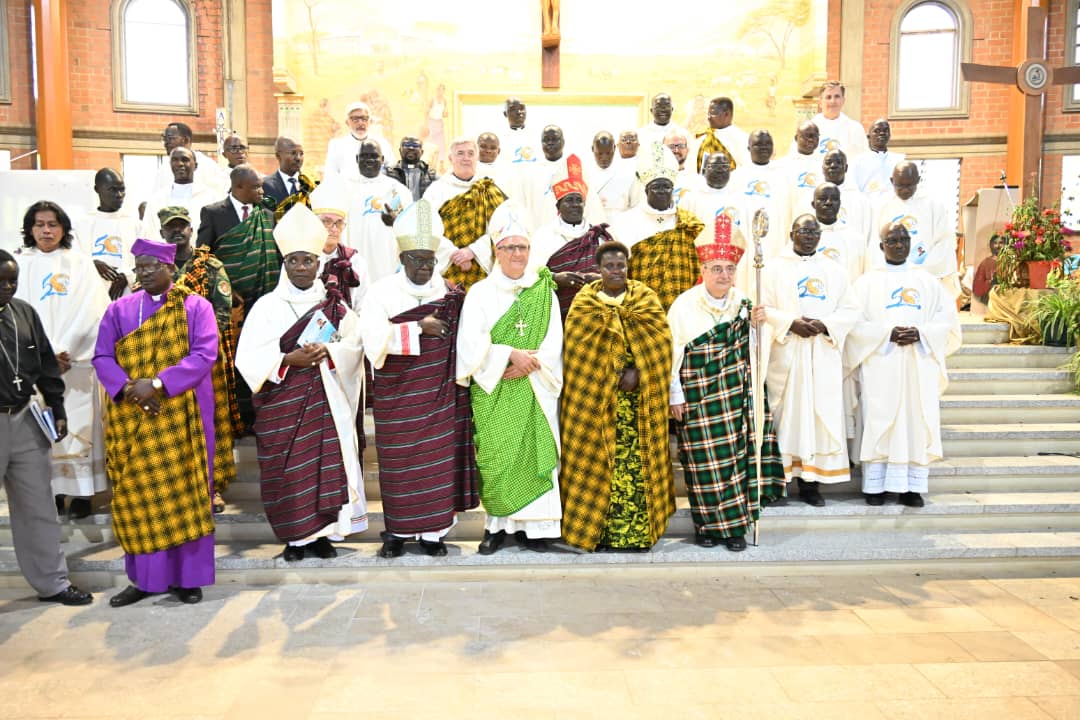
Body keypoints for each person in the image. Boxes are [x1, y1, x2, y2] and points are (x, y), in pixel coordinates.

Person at [236, 204, 367, 561]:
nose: (300, 267)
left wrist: (330, 351)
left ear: (317, 264)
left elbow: (355, 347)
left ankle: (323, 535)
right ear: (284, 263)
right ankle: (295, 539)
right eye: (293, 260)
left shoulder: (335, 307)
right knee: (290, 471)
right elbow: (246, 358)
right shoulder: (265, 306)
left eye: (307, 260)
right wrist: (287, 360)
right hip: (282, 404)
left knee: (324, 466)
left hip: (326, 401)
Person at [93, 239, 221, 606]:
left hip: (183, 414)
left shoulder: (196, 307)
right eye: (140, 268)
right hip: (132, 415)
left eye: (152, 266)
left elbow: (204, 353)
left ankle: (188, 578)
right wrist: (131, 389)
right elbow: (102, 356)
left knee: (186, 493)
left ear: (170, 268)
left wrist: (160, 385)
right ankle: (145, 580)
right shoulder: (119, 310)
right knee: (140, 496)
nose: (144, 273)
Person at [359, 199, 479, 558]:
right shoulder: (381, 292)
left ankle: (433, 534)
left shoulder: (448, 294)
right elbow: (372, 339)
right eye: (417, 260)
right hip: (398, 398)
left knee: (435, 465)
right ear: (402, 259)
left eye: (430, 260)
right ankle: (396, 531)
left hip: (439, 396)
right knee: (398, 465)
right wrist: (416, 328)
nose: (425, 267)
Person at [668, 216, 786, 550]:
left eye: (729, 269)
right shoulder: (683, 305)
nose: (724, 275)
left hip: (735, 399)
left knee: (736, 462)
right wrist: (674, 394)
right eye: (716, 268)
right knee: (701, 462)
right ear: (703, 269)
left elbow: (758, 353)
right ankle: (706, 526)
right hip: (697, 398)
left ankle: (735, 529)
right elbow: (674, 353)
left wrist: (759, 327)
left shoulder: (746, 305)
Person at [456, 205, 563, 554]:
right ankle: (498, 527)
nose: (517, 254)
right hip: (496, 386)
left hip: (536, 383)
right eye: (509, 248)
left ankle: (538, 529)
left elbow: (555, 340)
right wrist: (506, 357)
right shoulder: (480, 293)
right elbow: (470, 341)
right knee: (497, 456)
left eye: (522, 247)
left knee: (534, 455)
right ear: (496, 252)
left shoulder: (544, 290)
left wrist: (530, 362)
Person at [560, 241, 674, 552]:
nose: (616, 271)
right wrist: (609, 375)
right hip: (595, 402)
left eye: (621, 265)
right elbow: (577, 350)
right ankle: (599, 534)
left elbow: (661, 343)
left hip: (637, 404)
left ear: (628, 266)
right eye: (609, 266)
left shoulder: (644, 298)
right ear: (599, 269)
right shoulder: (585, 302)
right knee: (597, 467)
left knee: (635, 468)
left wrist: (638, 368)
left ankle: (637, 535)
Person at [845, 221, 961, 507]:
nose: (899, 245)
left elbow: (946, 319)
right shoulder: (866, 283)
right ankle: (875, 487)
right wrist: (887, 333)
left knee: (915, 419)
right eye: (893, 240)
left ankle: (911, 487)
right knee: (879, 418)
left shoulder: (927, 281)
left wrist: (921, 333)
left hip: (917, 362)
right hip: (881, 361)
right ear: (881, 245)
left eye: (904, 239)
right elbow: (855, 323)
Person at [0, 249, 92, 605]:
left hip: (25, 419)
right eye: (1, 281)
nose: (8, 288)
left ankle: (52, 583)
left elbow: (44, 364)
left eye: (13, 280)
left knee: (38, 508)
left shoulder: (23, 311)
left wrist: (57, 405)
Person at [15, 203, 109, 519]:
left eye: (53, 224)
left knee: (79, 426)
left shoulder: (81, 265)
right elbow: (16, 313)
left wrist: (64, 349)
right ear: (29, 229)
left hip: (76, 362)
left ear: (63, 228)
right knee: (41, 431)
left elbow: (93, 310)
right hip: (34, 367)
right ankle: (52, 493)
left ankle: (81, 494)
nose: (46, 231)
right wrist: (43, 357)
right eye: (39, 224)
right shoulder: (19, 264)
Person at [761, 214, 858, 506]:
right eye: (803, 230)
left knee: (817, 418)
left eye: (814, 231)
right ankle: (778, 482)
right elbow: (762, 308)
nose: (809, 236)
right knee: (786, 418)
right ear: (791, 233)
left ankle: (811, 484)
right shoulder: (773, 268)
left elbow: (851, 309)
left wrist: (826, 324)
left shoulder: (834, 270)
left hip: (821, 353)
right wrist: (790, 322)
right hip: (787, 352)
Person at [160, 206, 240, 512]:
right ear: (162, 232)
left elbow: (223, 310)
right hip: (166, 362)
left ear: (191, 230)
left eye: (182, 226)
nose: (177, 231)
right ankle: (180, 486)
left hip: (206, 360)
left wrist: (198, 346)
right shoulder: (156, 267)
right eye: (171, 227)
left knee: (212, 423)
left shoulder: (210, 265)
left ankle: (214, 486)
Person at [609, 143, 704, 311]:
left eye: (667, 186)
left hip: (684, 310)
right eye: (656, 187)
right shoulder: (624, 222)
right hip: (642, 309)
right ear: (646, 190)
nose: (662, 191)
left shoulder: (688, 224)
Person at [529, 154, 613, 318]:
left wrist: (600, 279)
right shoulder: (543, 236)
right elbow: (529, 273)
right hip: (555, 316)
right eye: (569, 200)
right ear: (558, 205)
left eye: (578, 200)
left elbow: (616, 274)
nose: (575, 205)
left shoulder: (599, 237)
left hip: (597, 316)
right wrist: (555, 278)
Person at [422, 137, 508, 292]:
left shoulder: (490, 189)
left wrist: (473, 251)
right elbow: (425, 227)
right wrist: (453, 253)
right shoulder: (435, 190)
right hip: (445, 269)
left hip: (484, 269)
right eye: (460, 153)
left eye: (470, 153)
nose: (466, 158)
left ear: (477, 157)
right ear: (450, 158)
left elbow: (502, 228)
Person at [198, 164, 280, 322]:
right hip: (227, 300)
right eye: (256, 187)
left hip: (263, 298)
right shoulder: (213, 213)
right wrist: (224, 288)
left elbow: (275, 256)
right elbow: (202, 257)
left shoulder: (268, 215)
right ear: (239, 186)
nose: (262, 191)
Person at [874, 162, 960, 298]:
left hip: (926, 274)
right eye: (899, 185)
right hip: (890, 273)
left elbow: (944, 241)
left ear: (918, 180)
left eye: (909, 185)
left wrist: (922, 268)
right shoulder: (881, 205)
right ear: (891, 181)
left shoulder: (933, 205)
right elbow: (875, 241)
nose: (905, 190)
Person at [683, 154, 754, 291]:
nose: (720, 171)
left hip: (736, 265)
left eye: (724, 167)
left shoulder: (743, 200)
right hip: (701, 263)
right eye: (714, 166)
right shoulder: (691, 200)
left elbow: (748, 238)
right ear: (704, 170)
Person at [345, 140, 411, 284]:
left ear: (382, 159)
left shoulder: (397, 190)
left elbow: (409, 228)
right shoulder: (345, 188)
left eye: (374, 156)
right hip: (355, 256)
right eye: (364, 156)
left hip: (387, 258)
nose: (369, 160)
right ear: (357, 159)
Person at [520, 124, 606, 230]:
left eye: (555, 139)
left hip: (574, 235)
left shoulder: (576, 168)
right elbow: (523, 208)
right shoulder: (531, 173)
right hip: (540, 231)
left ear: (563, 142)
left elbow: (592, 205)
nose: (550, 143)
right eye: (546, 140)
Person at [729, 129, 793, 264]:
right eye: (759, 144)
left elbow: (789, 209)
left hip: (777, 239)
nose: (764, 148)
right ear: (748, 148)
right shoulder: (737, 176)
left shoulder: (783, 175)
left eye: (768, 144)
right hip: (746, 240)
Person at [77, 168, 142, 300]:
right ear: (97, 189)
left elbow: (149, 260)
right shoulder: (81, 225)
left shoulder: (136, 225)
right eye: (112, 189)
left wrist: (127, 276)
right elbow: (72, 260)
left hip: (127, 296)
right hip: (91, 297)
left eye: (122, 189)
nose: (119, 195)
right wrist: (93, 264)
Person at [309, 177, 369, 312]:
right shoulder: (301, 260)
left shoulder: (355, 261)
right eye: (327, 221)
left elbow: (364, 304)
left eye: (339, 222)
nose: (334, 228)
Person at [143, 147, 218, 238]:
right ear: (170, 164)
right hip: (165, 251)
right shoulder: (157, 199)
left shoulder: (210, 196)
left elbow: (215, 231)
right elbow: (149, 233)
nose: (180, 164)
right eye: (175, 160)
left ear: (195, 165)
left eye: (185, 160)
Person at [152, 121, 229, 197]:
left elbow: (220, 194)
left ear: (186, 140)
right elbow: (157, 197)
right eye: (164, 139)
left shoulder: (206, 165)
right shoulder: (164, 168)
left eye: (170, 138)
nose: (166, 143)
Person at [324, 101, 394, 182]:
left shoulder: (382, 144)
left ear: (370, 121)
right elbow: (330, 176)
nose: (360, 123)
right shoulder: (336, 145)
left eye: (364, 119)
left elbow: (392, 171)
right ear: (347, 122)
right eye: (355, 119)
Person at [812, 183, 866, 282]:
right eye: (823, 198)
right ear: (813, 204)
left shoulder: (856, 240)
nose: (828, 203)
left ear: (840, 204)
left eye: (834, 199)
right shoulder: (804, 240)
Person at [821, 148, 873, 249]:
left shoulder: (862, 201)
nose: (833, 166)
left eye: (838, 162)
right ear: (822, 168)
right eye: (828, 162)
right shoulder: (811, 199)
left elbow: (868, 237)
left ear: (846, 168)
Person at [807, 81, 868, 159]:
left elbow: (865, 159)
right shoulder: (808, 130)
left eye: (837, 96)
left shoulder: (855, 129)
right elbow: (797, 159)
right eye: (828, 97)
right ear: (820, 102)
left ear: (843, 100)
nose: (833, 101)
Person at [689, 96, 750, 173]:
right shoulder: (703, 139)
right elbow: (692, 167)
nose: (709, 117)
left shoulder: (742, 139)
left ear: (726, 114)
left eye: (713, 113)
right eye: (708, 114)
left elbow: (747, 169)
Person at [851, 119, 906, 205]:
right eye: (877, 131)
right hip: (868, 207)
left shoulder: (900, 161)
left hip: (893, 208)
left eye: (885, 131)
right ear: (868, 137)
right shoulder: (857, 161)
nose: (882, 133)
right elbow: (854, 190)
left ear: (889, 135)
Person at [586, 131, 637, 219]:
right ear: (592, 149)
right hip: (592, 222)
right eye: (600, 153)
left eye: (608, 153)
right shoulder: (584, 172)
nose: (604, 158)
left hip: (622, 222)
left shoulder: (628, 171)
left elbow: (636, 205)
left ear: (614, 148)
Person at [262, 136, 316, 221]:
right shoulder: (264, 186)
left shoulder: (311, 186)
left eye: (301, 153)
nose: (298, 158)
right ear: (278, 156)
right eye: (293, 153)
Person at [780, 121, 824, 214]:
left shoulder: (824, 164)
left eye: (814, 136)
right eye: (806, 136)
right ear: (796, 138)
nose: (810, 140)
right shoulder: (784, 165)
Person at [384, 136, 437, 202]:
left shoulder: (432, 176)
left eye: (415, 145)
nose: (411, 148)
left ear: (422, 152)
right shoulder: (388, 174)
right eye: (406, 145)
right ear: (400, 150)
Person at [972, 233, 1006, 304]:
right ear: (991, 245)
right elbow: (977, 287)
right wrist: (990, 282)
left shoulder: (1009, 261)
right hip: (988, 298)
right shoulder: (985, 263)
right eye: (995, 243)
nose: (998, 246)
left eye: (1001, 243)